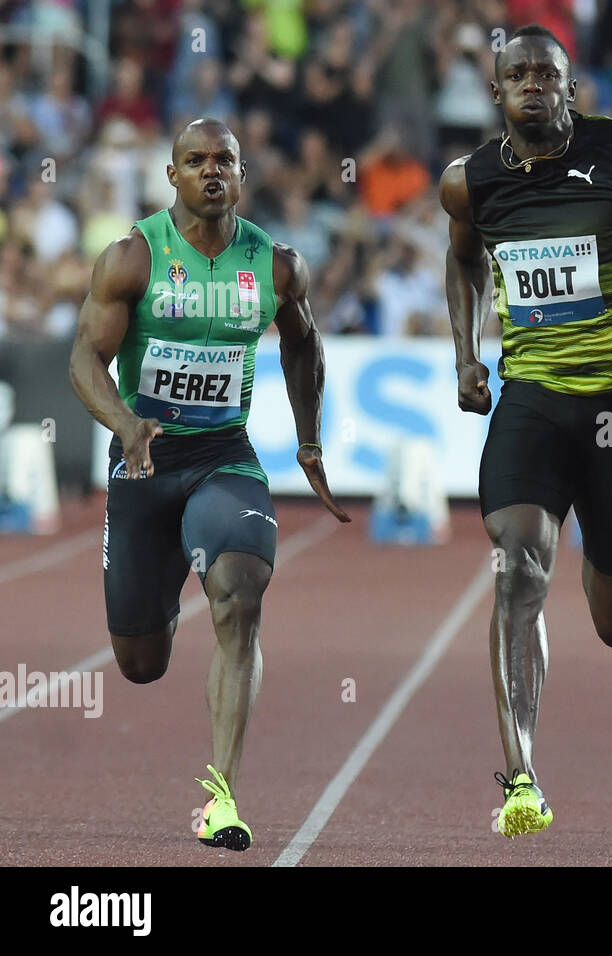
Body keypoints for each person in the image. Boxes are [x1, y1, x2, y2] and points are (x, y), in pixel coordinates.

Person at [439, 25, 612, 837]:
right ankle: (521, 777)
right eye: (516, 73)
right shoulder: (470, 182)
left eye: (547, 73)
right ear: (496, 93)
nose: (533, 84)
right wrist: (466, 355)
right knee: (518, 563)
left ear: (571, 87)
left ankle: (608, 548)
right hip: (529, 399)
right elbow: (460, 260)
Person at [69, 118, 351, 851]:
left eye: (223, 158)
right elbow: (84, 362)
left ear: (242, 172)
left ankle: (221, 796)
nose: (210, 171)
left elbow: (304, 347)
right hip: (143, 465)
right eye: (194, 161)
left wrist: (309, 440)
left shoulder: (276, 264)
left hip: (225, 457)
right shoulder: (133, 257)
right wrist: (126, 423)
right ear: (172, 177)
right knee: (139, 664)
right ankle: (158, 594)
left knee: (239, 596)